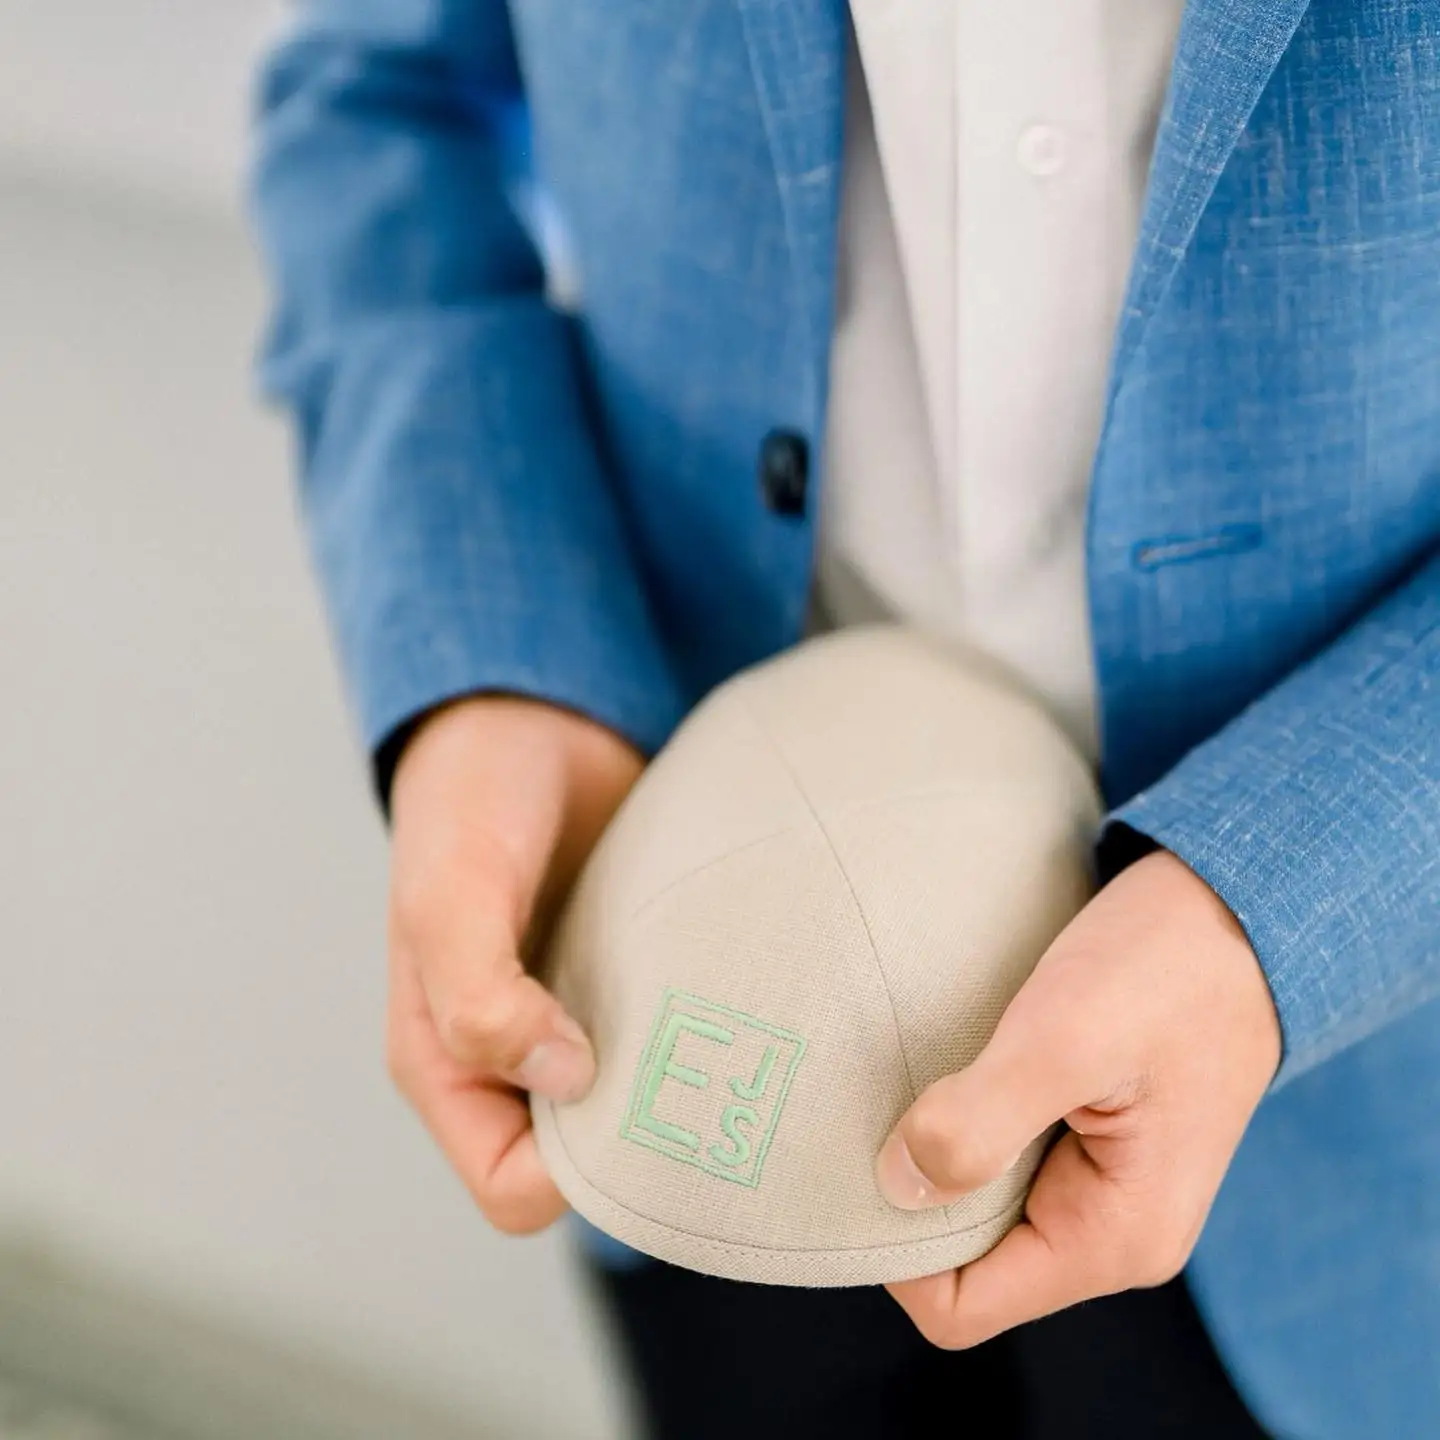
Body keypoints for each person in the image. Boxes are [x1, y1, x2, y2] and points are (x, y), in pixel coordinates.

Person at [249, 3, 1440, 1437]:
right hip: (683, 999)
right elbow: (385, 102)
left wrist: (1296, 897)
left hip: (1360, 1126)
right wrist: (498, 661)